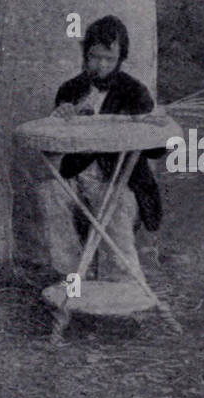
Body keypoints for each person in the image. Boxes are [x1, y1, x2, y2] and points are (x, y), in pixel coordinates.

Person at [47, 15, 164, 281]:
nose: (100, 64)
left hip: (118, 179)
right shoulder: (70, 89)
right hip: (77, 176)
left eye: (108, 59)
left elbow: (157, 151)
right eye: (94, 57)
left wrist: (146, 125)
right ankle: (74, 275)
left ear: (120, 59)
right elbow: (53, 143)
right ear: (85, 54)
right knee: (49, 192)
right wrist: (62, 116)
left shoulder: (134, 92)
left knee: (115, 202)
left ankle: (118, 285)